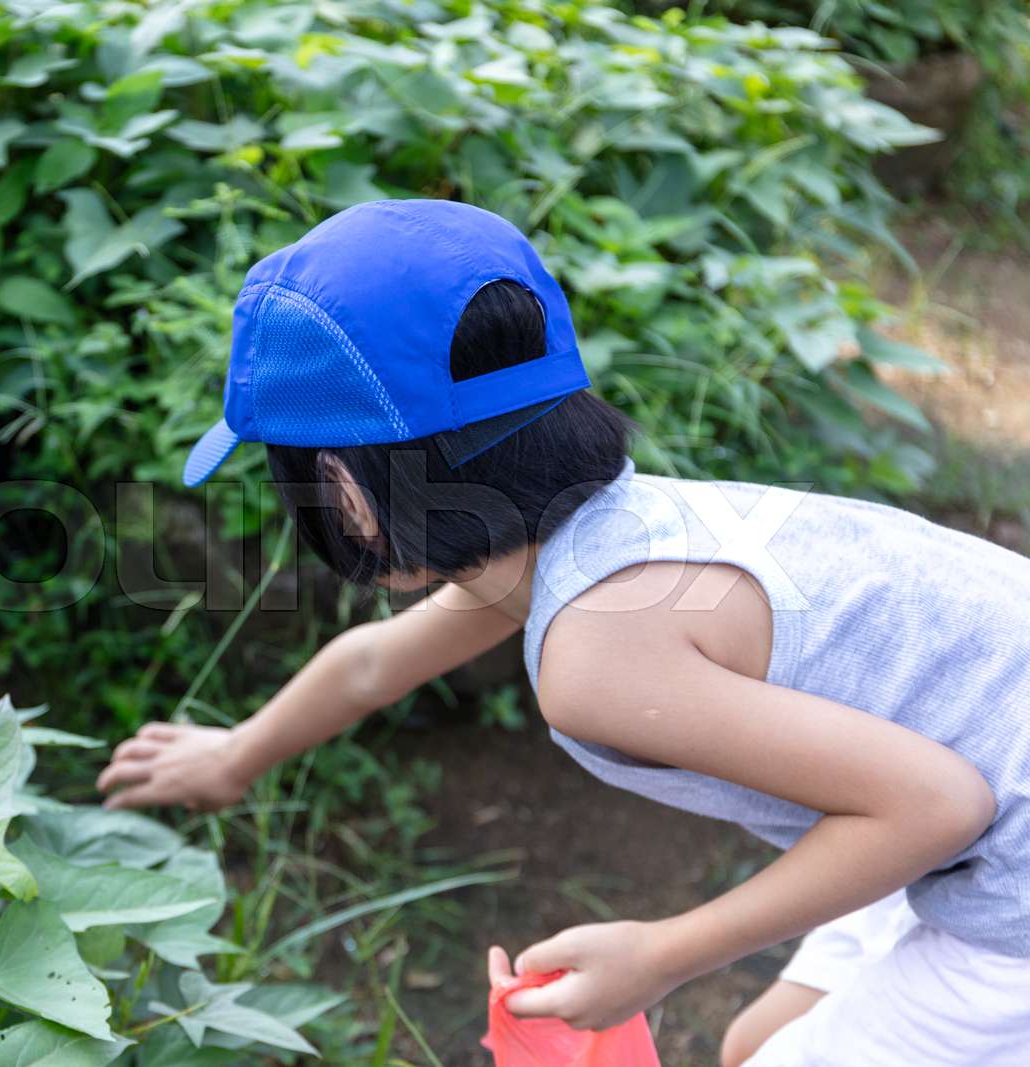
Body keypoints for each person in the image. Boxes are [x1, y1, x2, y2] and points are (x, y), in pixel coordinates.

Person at [94, 199, 1030, 1065]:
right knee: (751, 1043)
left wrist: (662, 953)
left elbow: (938, 806)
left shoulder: (596, 653)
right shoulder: (605, 536)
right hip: (979, 760)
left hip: (999, 857)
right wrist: (235, 754)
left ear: (347, 493)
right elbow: (375, 662)